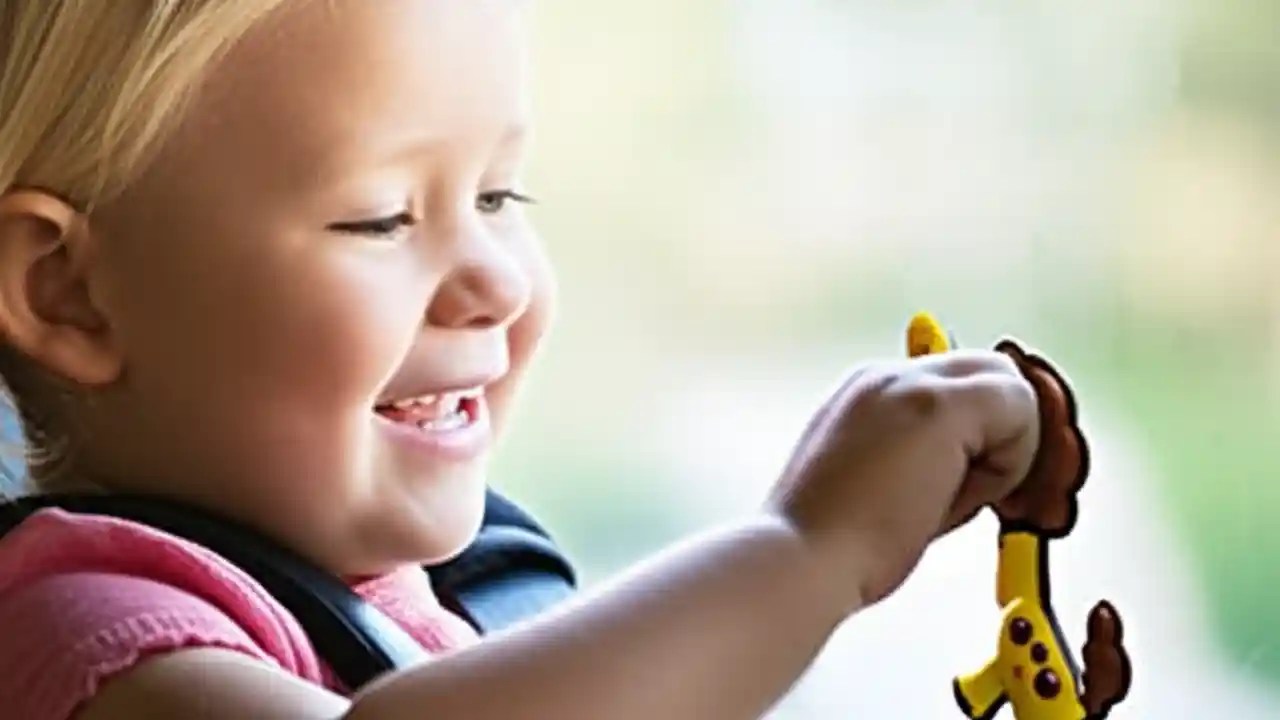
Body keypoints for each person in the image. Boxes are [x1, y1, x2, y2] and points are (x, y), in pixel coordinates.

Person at [0, 2, 1042, 719]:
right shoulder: (78, 635)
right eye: (380, 218)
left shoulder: (476, 582)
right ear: (71, 294)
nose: (494, 282)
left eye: (498, 199)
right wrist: (809, 551)